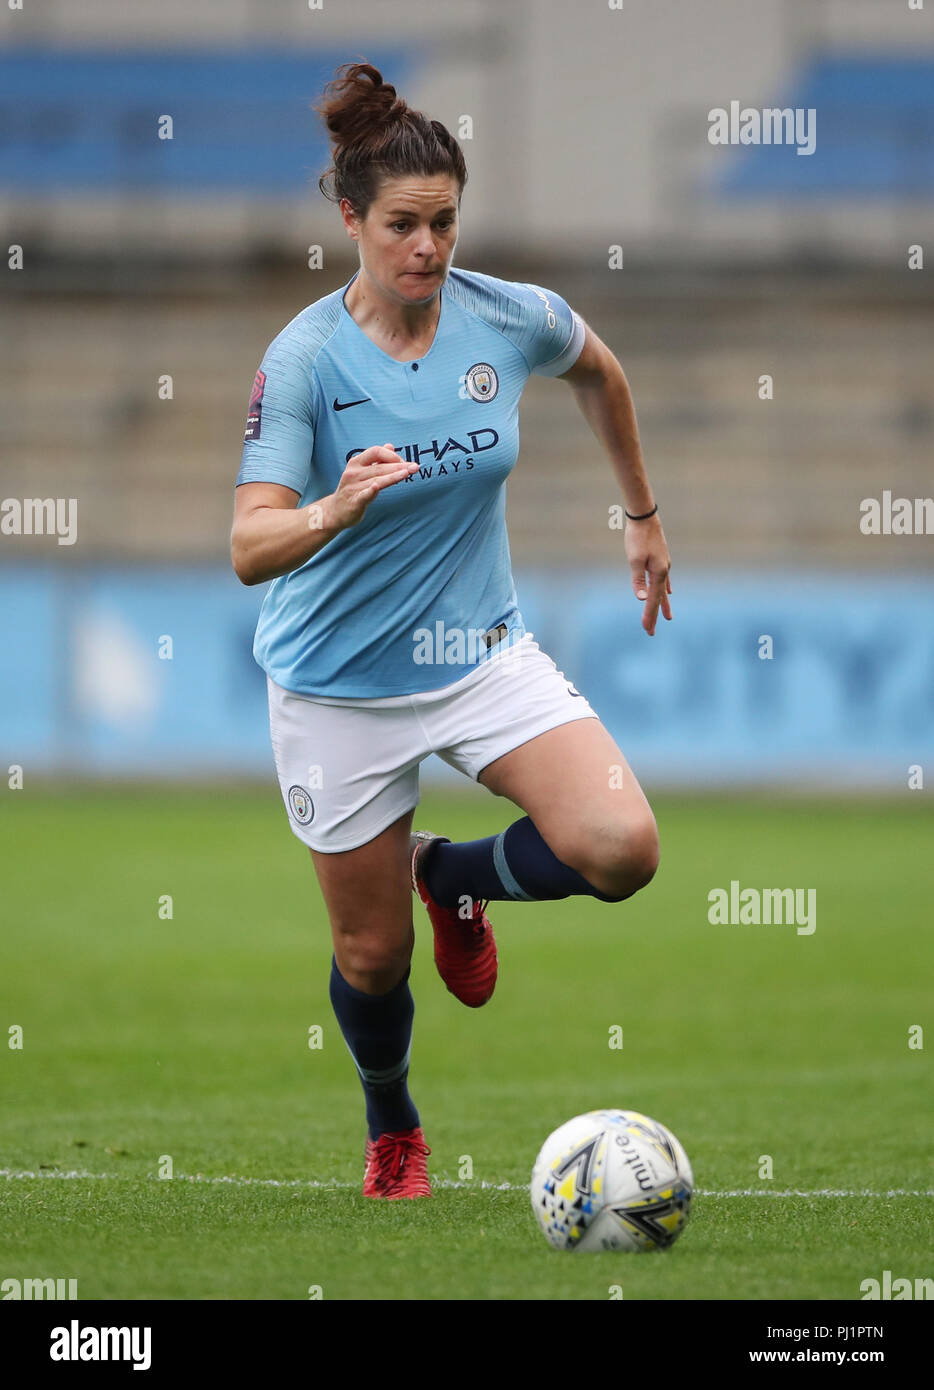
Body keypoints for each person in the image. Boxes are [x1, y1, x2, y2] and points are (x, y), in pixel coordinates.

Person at [231, 61, 672, 1200]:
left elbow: (601, 370)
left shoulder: (505, 316)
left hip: (481, 655)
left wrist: (643, 516)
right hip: (336, 685)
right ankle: (393, 1125)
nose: (427, 247)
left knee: (623, 849)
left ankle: (453, 874)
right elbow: (249, 547)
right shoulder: (305, 361)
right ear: (348, 220)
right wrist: (332, 506)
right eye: (402, 225)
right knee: (371, 961)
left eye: (444, 222)